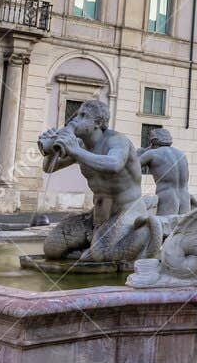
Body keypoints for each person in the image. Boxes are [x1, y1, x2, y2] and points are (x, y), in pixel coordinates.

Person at [38, 99, 159, 263]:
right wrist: (52, 151)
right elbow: (49, 168)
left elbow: (114, 164)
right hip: (96, 216)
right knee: (52, 247)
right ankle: (94, 243)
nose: (75, 119)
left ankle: (144, 232)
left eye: (83, 115)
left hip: (127, 211)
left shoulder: (117, 140)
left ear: (98, 122)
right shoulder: (80, 144)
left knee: (100, 256)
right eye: (77, 114)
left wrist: (75, 151)